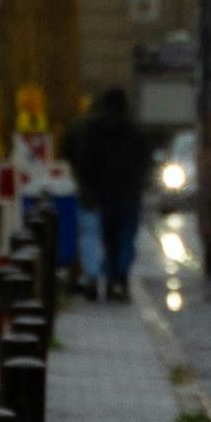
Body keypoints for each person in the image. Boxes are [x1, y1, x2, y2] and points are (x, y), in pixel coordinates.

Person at [62, 81, 153, 302]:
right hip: (129, 193)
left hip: (103, 193)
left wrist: (90, 183)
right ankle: (119, 277)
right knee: (126, 238)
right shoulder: (134, 131)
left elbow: (84, 160)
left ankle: (111, 277)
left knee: (109, 238)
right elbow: (145, 161)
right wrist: (140, 181)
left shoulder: (93, 130)